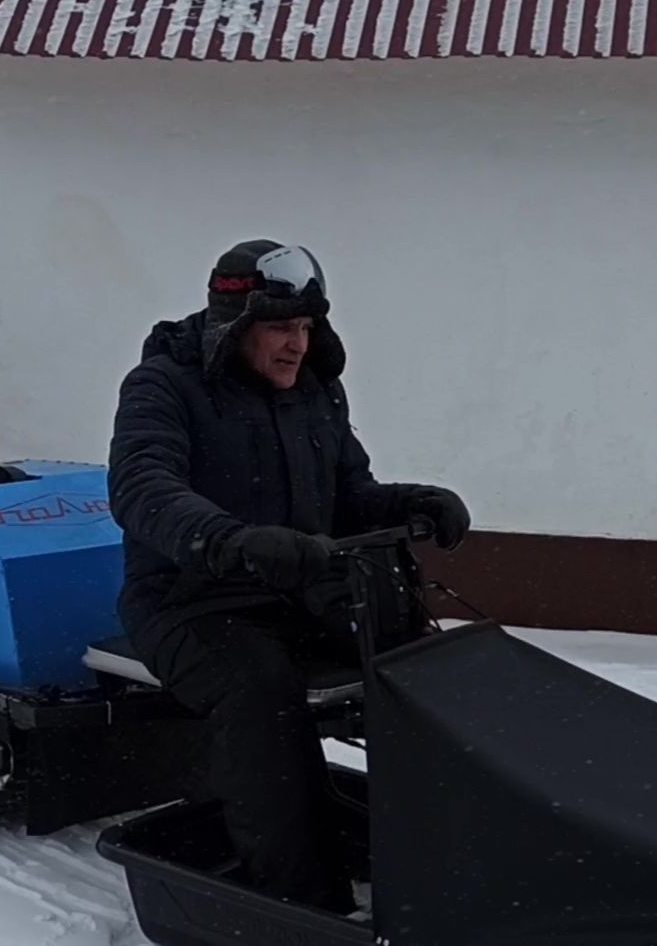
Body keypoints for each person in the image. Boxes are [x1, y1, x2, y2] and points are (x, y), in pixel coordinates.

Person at [106, 239, 470, 913]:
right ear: (234, 324)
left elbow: (350, 494)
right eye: (279, 326)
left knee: (418, 669)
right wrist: (232, 540)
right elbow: (142, 488)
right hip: (187, 601)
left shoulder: (315, 393)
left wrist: (414, 501)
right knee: (261, 694)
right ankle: (298, 898)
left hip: (294, 594)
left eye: (304, 327)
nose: (296, 344)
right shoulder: (163, 385)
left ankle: (445, 860)